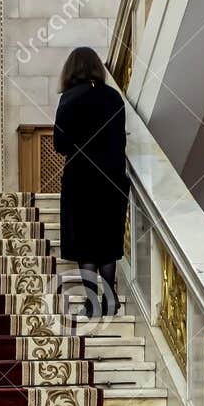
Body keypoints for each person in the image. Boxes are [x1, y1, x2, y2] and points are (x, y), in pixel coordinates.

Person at [52, 46, 128, 314]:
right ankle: (111, 297)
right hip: (112, 178)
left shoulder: (70, 98)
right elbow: (120, 140)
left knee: (85, 241)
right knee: (107, 240)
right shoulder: (113, 97)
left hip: (81, 178)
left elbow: (60, 143)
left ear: (71, 70)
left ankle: (92, 301)